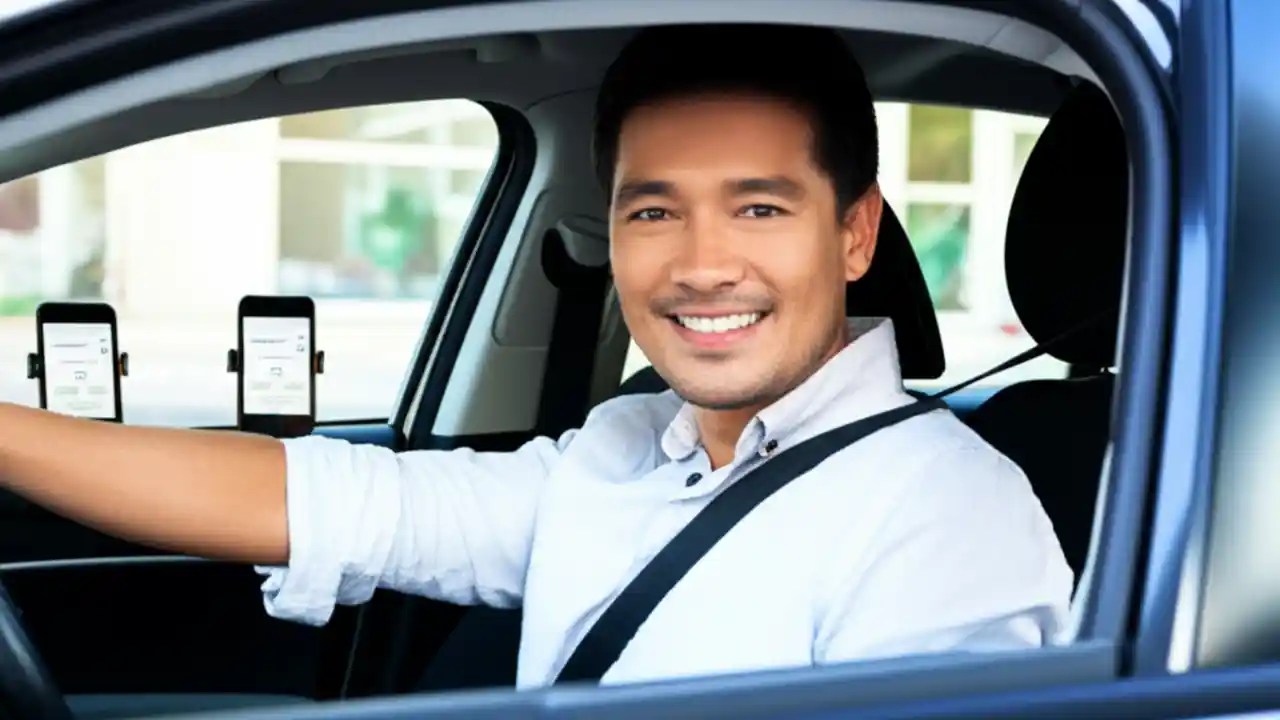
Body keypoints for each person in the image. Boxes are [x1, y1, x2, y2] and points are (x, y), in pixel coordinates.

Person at [0, 24, 1071, 689]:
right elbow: (330, 498)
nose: (701, 266)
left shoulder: (948, 515)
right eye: (653, 211)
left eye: (756, 206)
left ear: (853, 233)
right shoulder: (619, 451)